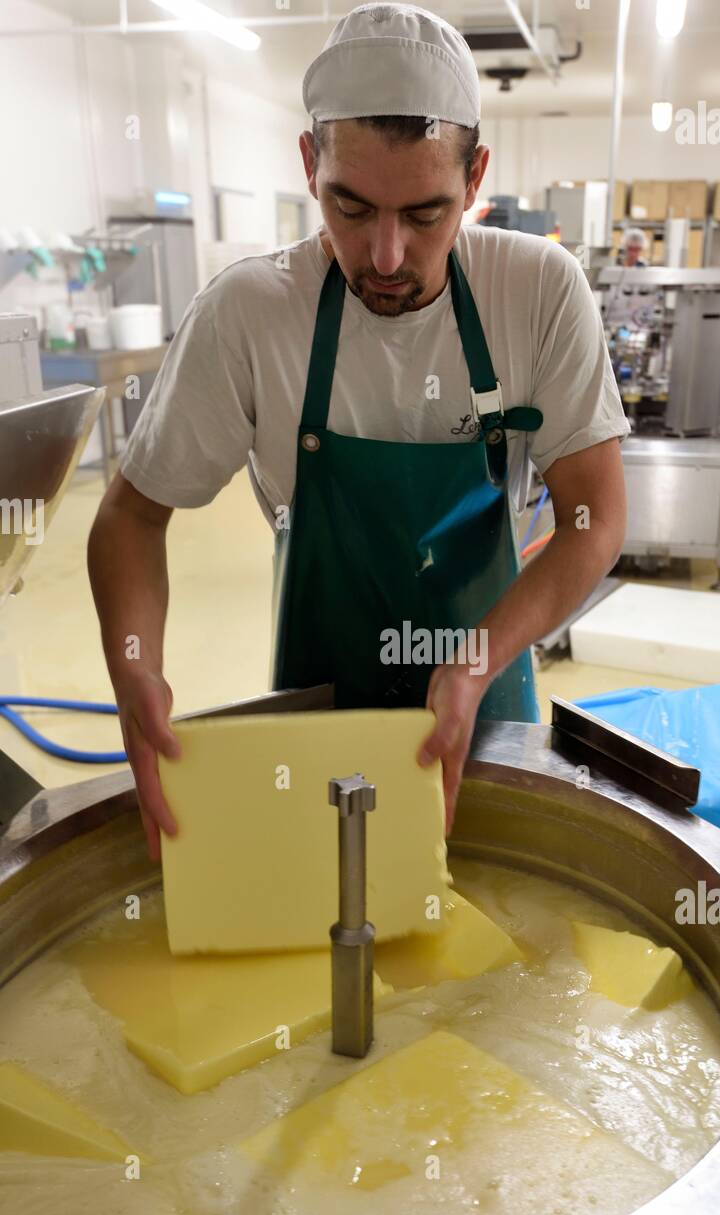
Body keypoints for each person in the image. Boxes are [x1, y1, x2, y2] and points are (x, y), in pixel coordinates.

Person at [88, 3, 628, 855]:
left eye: (424, 215)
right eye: (351, 206)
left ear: (475, 177)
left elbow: (594, 521)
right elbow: (130, 514)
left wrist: (470, 664)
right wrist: (134, 671)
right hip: (316, 712)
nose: (384, 256)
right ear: (309, 164)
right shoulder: (251, 313)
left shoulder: (537, 293)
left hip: (481, 700)